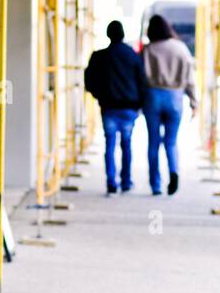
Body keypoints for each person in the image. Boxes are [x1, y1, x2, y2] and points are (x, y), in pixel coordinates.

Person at [84, 20, 146, 195]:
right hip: (128, 107)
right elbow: (142, 81)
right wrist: (140, 104)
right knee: (126, 144)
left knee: (110, 144)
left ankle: (111, 182)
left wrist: (98, 95)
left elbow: (89, 80)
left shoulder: (99, 56)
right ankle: (126, 181)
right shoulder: (133, 56)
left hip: (108, 106)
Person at [141, 14, 197, 195]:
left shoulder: (149, 50)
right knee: (171, 141)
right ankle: (174, 171)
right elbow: (190, 78)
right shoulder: (181, 48)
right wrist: (194, 102)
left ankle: (155, 184)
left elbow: (141, 76)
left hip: (153, 95)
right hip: (175, 96)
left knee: (153, 142)